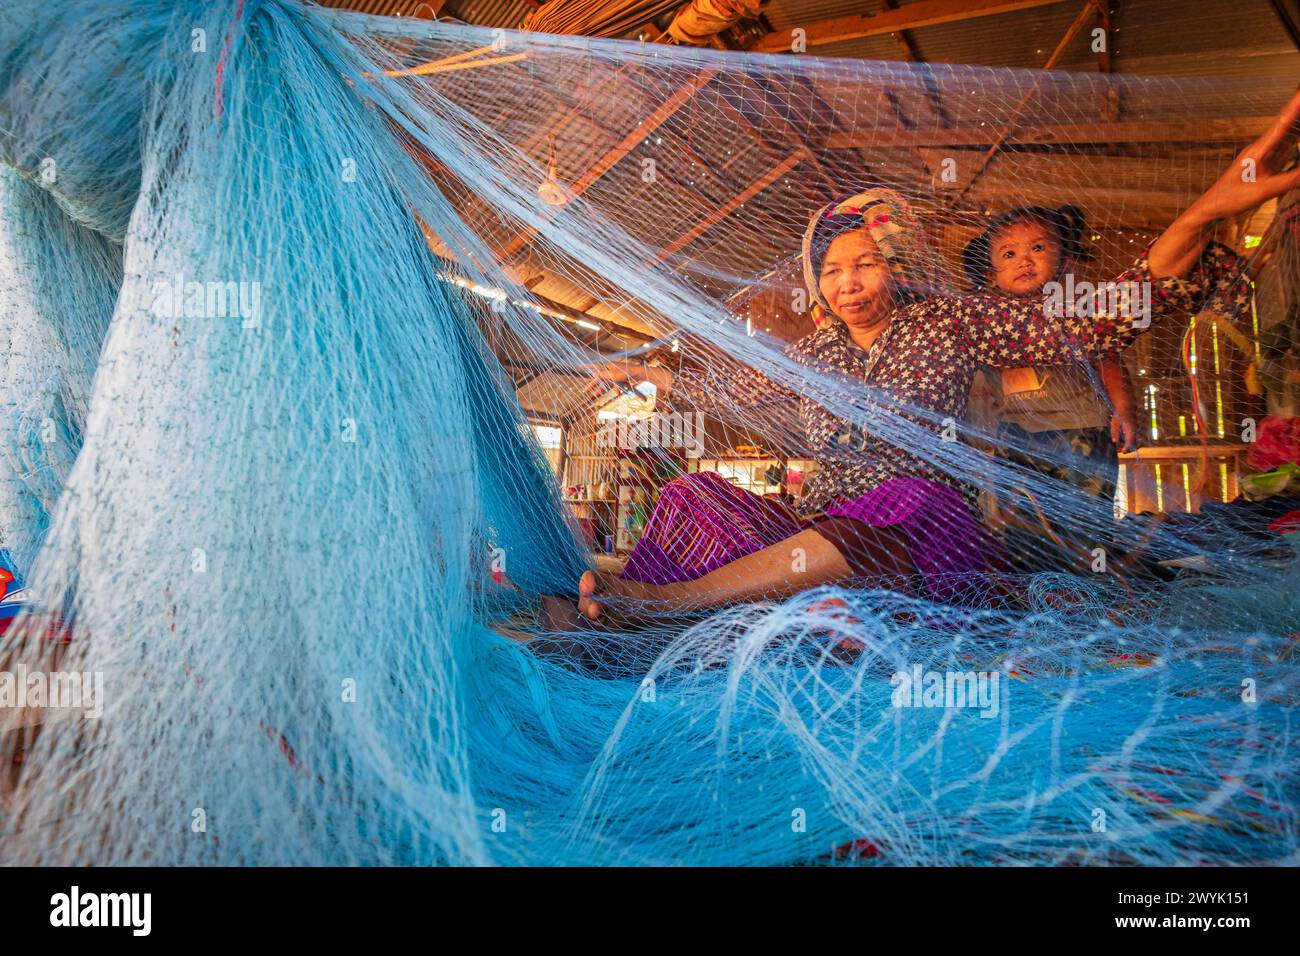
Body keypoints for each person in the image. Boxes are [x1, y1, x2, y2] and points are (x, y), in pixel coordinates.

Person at [549, 90, 1300, 628]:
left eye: (867, 263)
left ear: (898, 264)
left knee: (909, 495)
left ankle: (661, 607)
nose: (848, 282)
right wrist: (653, 376)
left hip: (924, 540)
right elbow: (733, 386)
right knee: (695, 496)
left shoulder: (951, 321)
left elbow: (1101, 322)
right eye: (834, 269)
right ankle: (664, 616)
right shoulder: (813, 351)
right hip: (825, 538)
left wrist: (1204, 212)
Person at [963, 205, 1139, 510]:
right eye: (1009, 254)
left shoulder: (1075, 310)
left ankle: (1089, 557)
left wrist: (1123, 411)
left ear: (1066, 262)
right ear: (991, 274)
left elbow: (1107, 360)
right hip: (1015, 436)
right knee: (1022, 528)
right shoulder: (985, 321)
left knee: (1084, 520)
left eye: (1038, 248)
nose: (1024, 261)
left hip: (1081, 431)